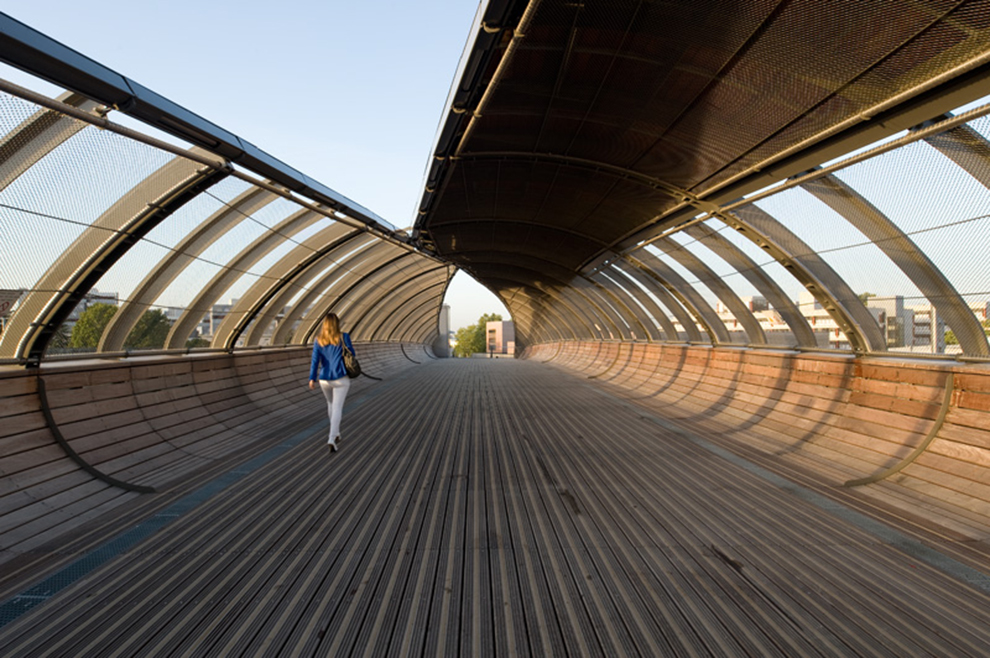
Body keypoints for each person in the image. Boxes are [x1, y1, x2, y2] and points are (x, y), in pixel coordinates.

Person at [308, 313, 355, 452]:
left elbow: (315, 361)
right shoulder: (343, 337)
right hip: (341, 377)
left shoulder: (318, 340)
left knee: (330, 404)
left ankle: (337, 433)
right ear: (336, 324)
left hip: (324, 379)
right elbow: (352, 354)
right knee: (337, 408)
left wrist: (312, 378)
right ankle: (331, 437)